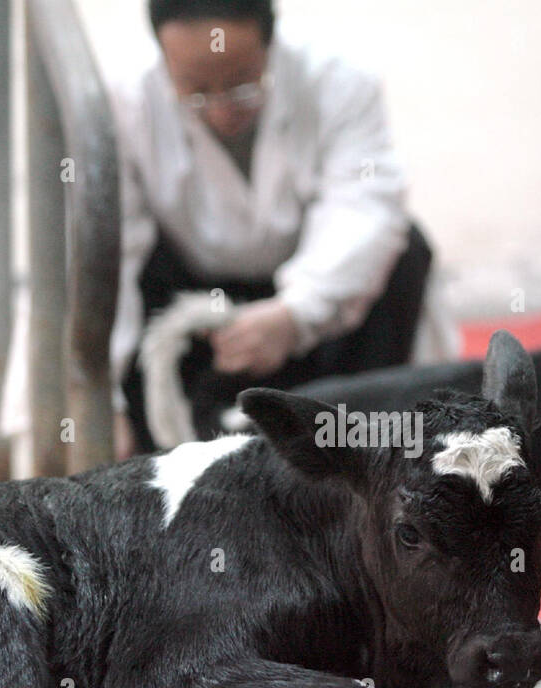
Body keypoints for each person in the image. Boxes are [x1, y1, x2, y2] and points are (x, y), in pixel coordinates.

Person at [108, 0, 450, 454]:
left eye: (242, 85)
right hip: (196, 314)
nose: (220, 109)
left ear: (271, 44)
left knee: (405, 250)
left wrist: (297, 314)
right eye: (195, 89)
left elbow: (366, 208)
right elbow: (105, 257)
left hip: (311, 313)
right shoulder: (125, 105)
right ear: (163, 59)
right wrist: (99, 401)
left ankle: (363, 452)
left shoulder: (339, 83)